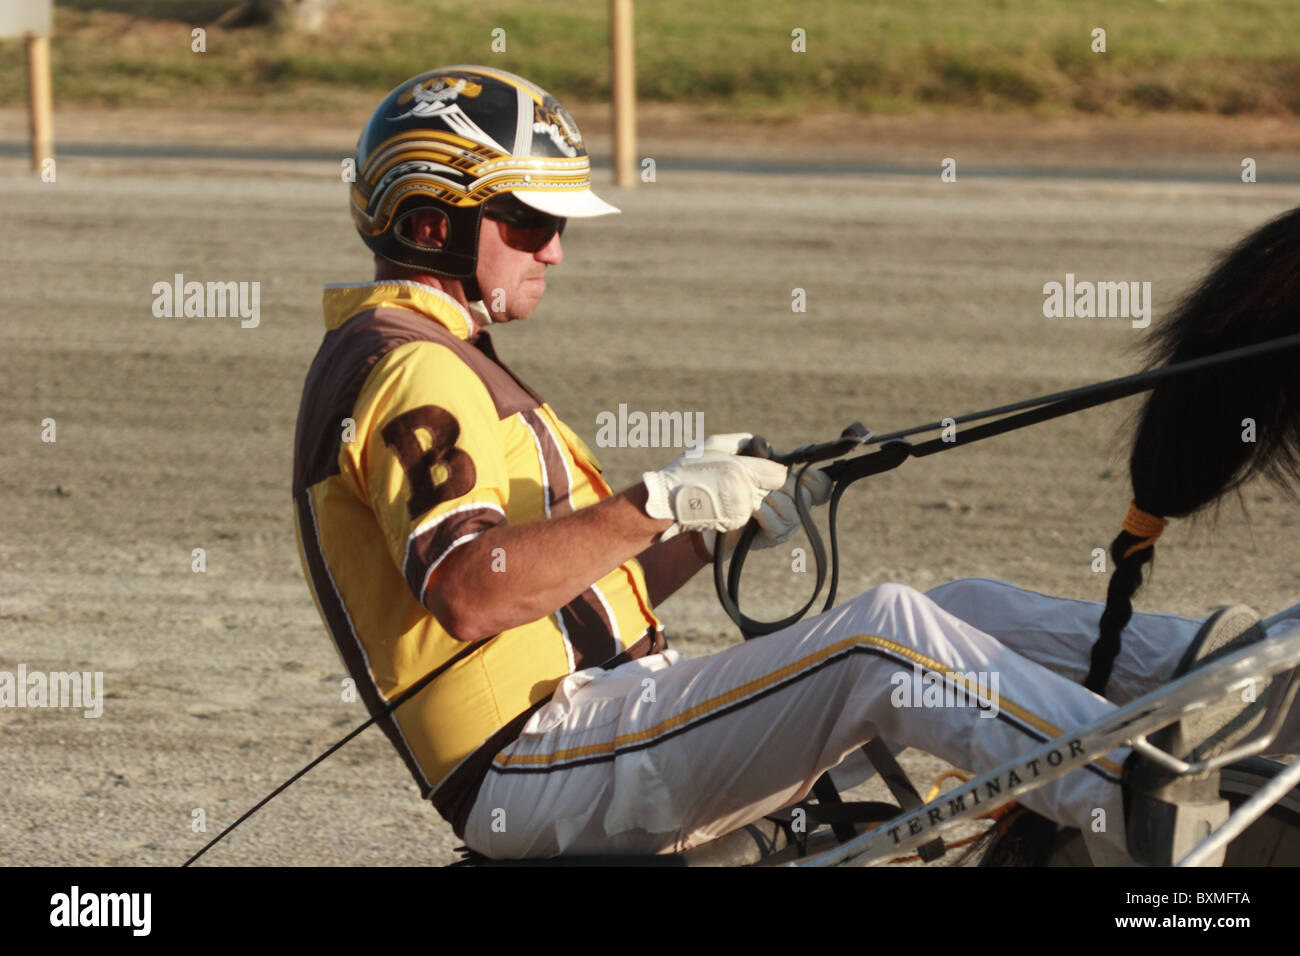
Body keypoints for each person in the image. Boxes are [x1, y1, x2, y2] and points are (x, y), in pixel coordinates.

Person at [291, 65, 1253, 864]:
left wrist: (712, 530)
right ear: (429, 222)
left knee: (958, 609)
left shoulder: (440, 359)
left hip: (598, 727)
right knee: (882, 639)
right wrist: (655, 498)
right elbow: (469, 592)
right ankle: (1138, 798)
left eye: (560, 225)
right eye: (529, 222)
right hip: (538, 764)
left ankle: (1224, 676)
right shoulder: (409, 366)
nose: (554, 249)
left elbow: (581, 596)